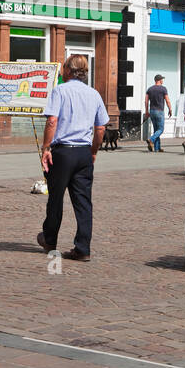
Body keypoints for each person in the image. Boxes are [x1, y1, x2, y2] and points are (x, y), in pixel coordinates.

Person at [37, 54, 108, 262]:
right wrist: (93, 151)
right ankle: (83, 247)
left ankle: (50, 239)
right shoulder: (94, 94)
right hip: (83, 152)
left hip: (63, 151)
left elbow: (52, 121)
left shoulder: (60, 91)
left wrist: (46, 148)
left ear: (68, 70)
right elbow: (101, 128)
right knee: (84, 202)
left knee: (55, 198)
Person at [143, 74, 172, 153]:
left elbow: (146, 101)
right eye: (162, 79)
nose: (163, 80)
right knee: (161, 129)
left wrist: (146, 111)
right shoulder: (163, 89)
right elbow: (167, 100)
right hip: (160, 111)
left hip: (152, 111)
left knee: (156, 129)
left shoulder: (150, 89)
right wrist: (170, 109)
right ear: (159, 80)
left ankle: (157, 148)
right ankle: (151, 139)